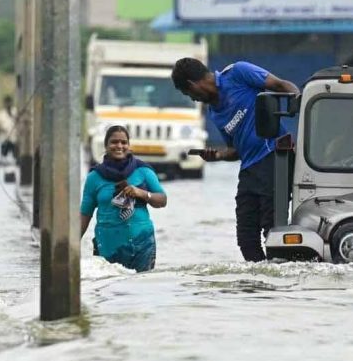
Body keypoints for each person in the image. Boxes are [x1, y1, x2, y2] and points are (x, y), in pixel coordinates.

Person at [171, 58, 299, 262]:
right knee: (246, 238)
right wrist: (218, 155)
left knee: (272, 228)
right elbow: (235, 150)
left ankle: (283, 282)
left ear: (192, 84)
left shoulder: (238, 73)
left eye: (190, 94)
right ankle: (261, 283)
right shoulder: (214, 112)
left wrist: (300, 103)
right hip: (249, 169)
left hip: (273, 158)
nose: (194, 100)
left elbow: (281, 85)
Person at [79, 125, 167, 272]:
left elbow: (162, 200)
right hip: (107, 247)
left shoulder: (143, 171)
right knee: (107, 290)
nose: (119, 146)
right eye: (114, 142)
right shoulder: (94, 177)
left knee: (140, 289)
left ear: (129, 145)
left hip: (142, 245)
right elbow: (85, 214)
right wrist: (70, 248)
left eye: (124, 142)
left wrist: (141, 193)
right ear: (106, 145)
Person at [0, 95, 18, 161]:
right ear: (4, 103)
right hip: (4, 140)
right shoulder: (0, 114)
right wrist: (1, 130)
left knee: (15, 158)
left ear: (12, 103)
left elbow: (20, 122)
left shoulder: (16, 112)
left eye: (9, 102)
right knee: (3, 158)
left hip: (14, 140)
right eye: (6, 102)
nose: (8, 104)